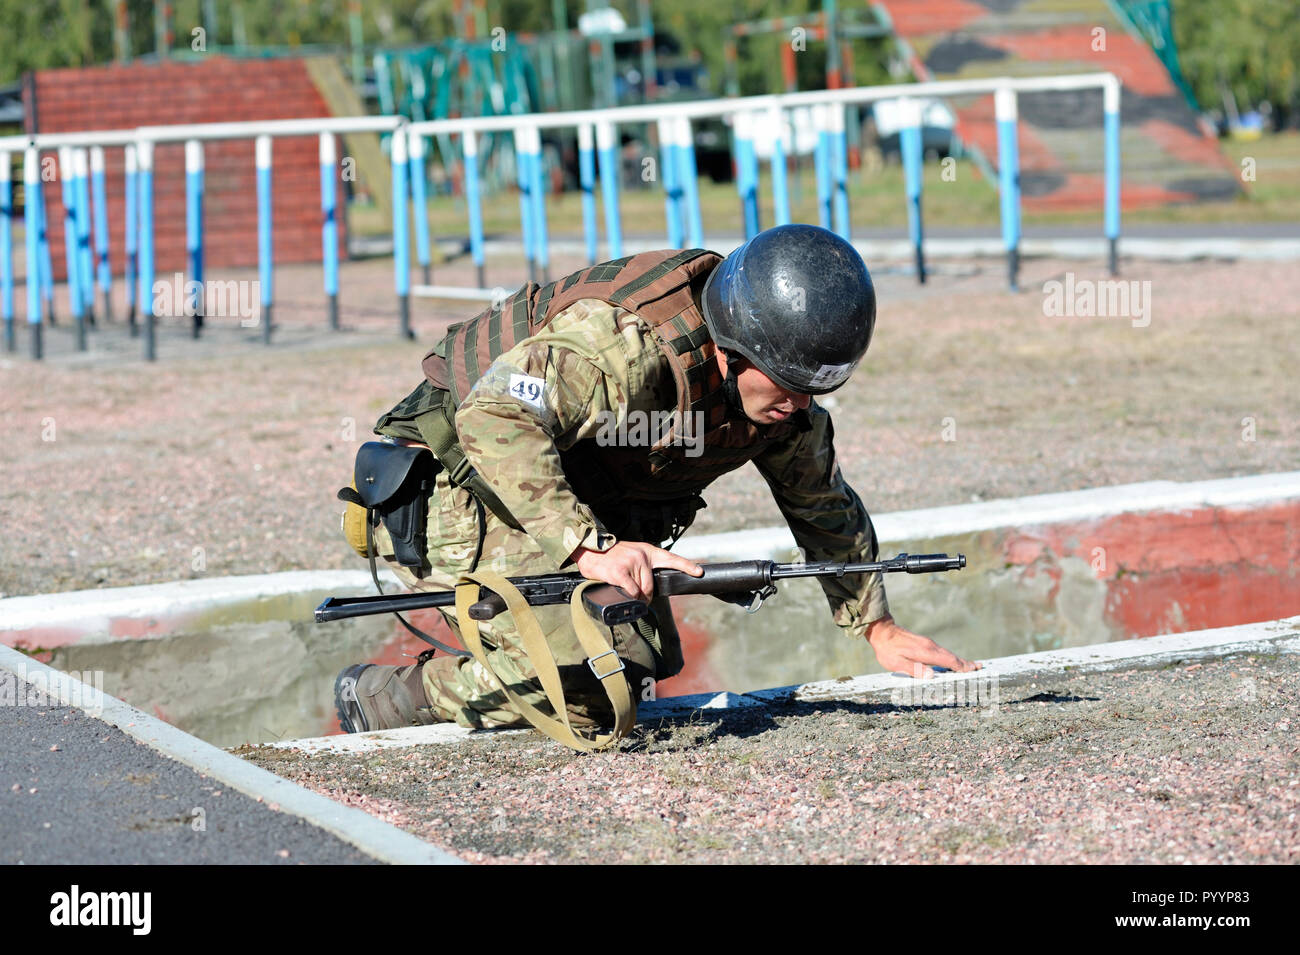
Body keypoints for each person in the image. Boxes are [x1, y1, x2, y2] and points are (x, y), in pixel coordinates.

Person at [334, 224, 979, 749]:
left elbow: (823, 505)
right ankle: (394, 695)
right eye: (788, 383)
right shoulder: (624, 347)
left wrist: (877, 626)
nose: (802, 405)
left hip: (556, 491)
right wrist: (589, 549)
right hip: (453, 484)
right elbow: (496, 415)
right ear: (735, 349)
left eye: (818, 389)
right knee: (584, 690)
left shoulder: (786, 404)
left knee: (627, 663)